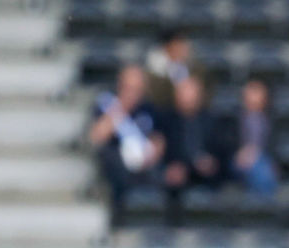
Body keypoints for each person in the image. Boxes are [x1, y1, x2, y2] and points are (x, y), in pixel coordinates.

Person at [89, 64, 166, 222]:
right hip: (117, 164)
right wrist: (121, 109)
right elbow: (97, 136)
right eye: (129, 88)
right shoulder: (107, 105)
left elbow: (159, 138)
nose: (133, 93)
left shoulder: (148, 108)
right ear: (120, 86)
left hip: (145, 165)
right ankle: (118, 219)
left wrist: (151, 153)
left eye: (137, 89)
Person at [159, 74, 225, 223]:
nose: (187, 98)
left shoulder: (211, 120)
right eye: (183, 93)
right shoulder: (167, 120)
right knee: (173, 181)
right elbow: (163, 150)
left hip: (207, 173)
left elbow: (221, 150)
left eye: (191, 94)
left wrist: (211, 161)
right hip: (177, 171)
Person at [229, 77, 279, 196]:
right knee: (262, 172)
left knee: (262, 168)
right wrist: (241, 153)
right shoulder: (234, 118)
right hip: (238, 159)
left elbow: (274, 146)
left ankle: (256, 205)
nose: (251, 95)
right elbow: (226, 142)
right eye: (249, 91)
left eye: (256, 91)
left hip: (263, 159)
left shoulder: (271, 119)